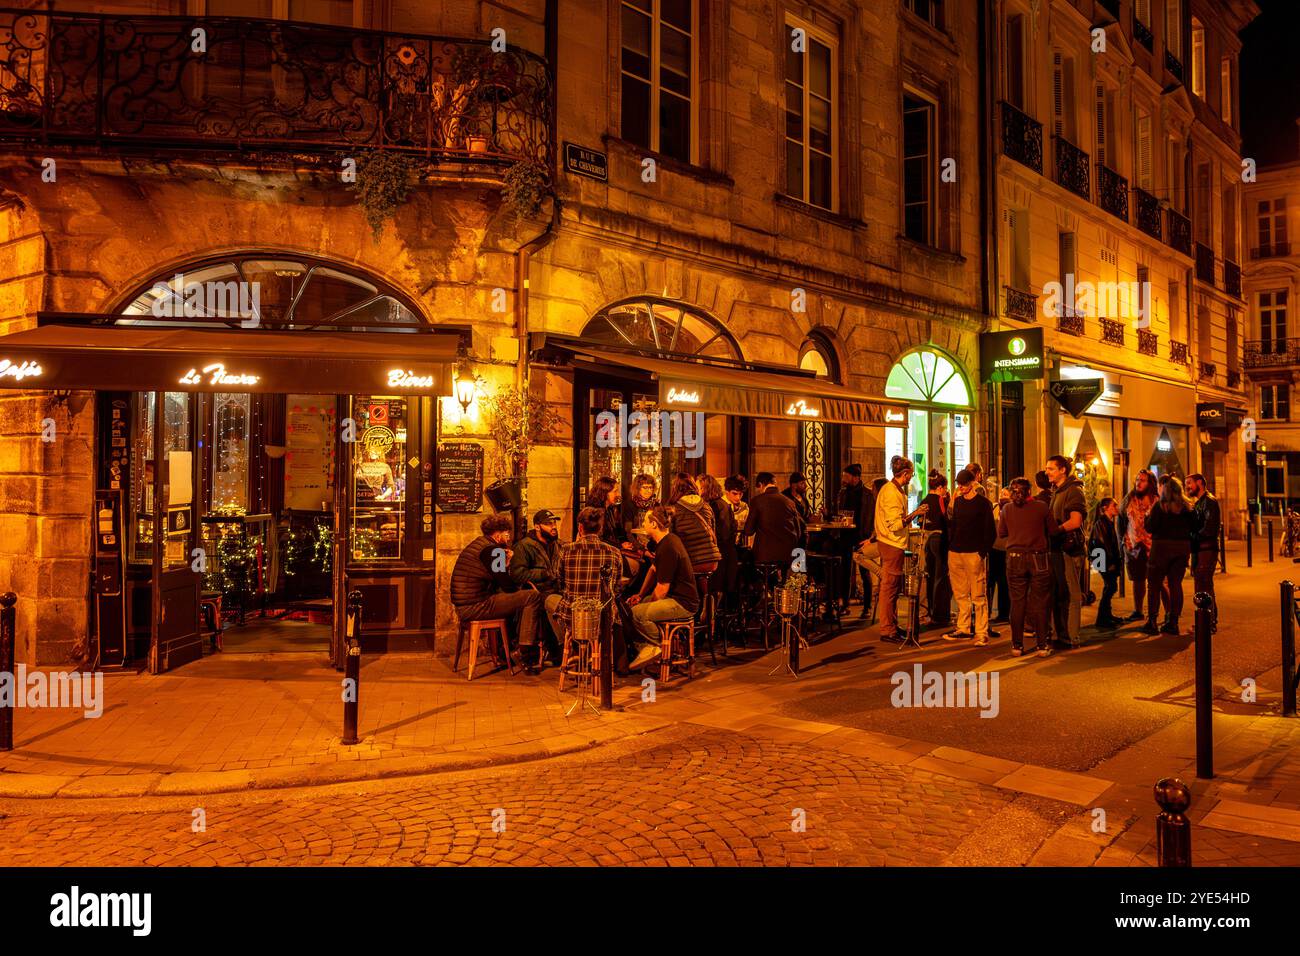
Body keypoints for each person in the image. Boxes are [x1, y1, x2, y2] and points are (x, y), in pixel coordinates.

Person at [451, 513, 540, 662]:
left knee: (516, 601)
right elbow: (507, 586)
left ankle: (503, 651)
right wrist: (509, 562)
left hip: (464, 606)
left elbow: (497, 579)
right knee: (532, 596)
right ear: (498, 535)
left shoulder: (479, 544)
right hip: (476, 606)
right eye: (507, 533)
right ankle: (524, 649)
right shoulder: (494, 550)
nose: (509, 537)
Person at [553, 506, 626, 672]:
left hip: (574, 615)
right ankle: (599, 659)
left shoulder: (566, 550)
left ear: (580, 528)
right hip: (604, 616)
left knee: (552, 603)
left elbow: (560, 582)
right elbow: (617, 586)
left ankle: (575, 652)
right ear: (600, 529)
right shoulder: (614, 552)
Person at [627, 506, 699, 669]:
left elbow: (661, 589)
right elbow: (653, 570)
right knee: (636, 605)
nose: (643, 524)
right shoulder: (664, 541)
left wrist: (646, 606)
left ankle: (657, 646)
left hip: (682, 602)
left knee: (637, 613)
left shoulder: (668, 547)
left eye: (645, 521)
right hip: (673, 598)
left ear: (653, 524)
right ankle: (648, 647)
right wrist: (640, 595)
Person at [999, 477, 1058, 657]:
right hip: (1037, 557)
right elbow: (1053, 531)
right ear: (1030, 492)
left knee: (1017, 603)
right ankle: (1041, 645)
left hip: (1015, 558)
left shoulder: (1007, 509)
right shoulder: (1041, 507)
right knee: (1040, 602)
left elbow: (1002, 533)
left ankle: (1017, 646)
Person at [1143, 475, 1200, 636]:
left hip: (1161, 547)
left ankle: (1152, 621)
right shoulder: (1188, 507)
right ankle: (1173, 622)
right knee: (1175, 585)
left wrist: (1147, 516)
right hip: (1181, 548)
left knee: (1154, 584)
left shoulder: (1160, 506)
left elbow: (1150, 527)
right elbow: (1195, 526)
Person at [945, 468, 996, 645]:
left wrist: (982, 552)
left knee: (978, 595)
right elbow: (952, 523)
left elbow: (990, 530)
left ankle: (981, 632)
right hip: (956, 551)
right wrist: (951, 546)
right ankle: (964, 627)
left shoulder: (983, 503)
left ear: (972, 483)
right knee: (960, 593)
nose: (961, 488)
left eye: (964, 485)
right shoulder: (957, 502)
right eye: (959, 485)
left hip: (973, 552)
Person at [508, 509, 563, 673]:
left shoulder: (557, 544)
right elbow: (517, 574)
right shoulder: (524, 546)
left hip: (556, 589)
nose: (553, 527)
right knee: (553, 604)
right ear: (537, 527)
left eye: (554, 523)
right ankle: (528, 652)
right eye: (548, 524)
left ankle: (560, 651)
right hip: (538, 591)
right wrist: (543, 573)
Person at [874, 456, 918, 645]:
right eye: (911, 474)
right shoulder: (891, 493)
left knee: (891, 587)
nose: (912, 477)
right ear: (905, 474)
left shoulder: (892, 490)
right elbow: (895, 524)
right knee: (890, 587)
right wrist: (915, 514)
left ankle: (891, 624)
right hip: (892, 543)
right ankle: (887, 629)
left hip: (892, 543)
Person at [1045, 454, 1087, 648]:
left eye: (1051, 469)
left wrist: (1056, 530)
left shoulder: (1074, 491)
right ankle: (1060, 635)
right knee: (1059, 593)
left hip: (1069, 549)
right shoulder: (1057, 490)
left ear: (1063, 470)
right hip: (1057, 548)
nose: (1047, 472)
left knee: (1072, 593)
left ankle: (1071, 637)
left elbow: (1076, 521)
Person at [1119, 469, 1160, 623]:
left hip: (1153, 545)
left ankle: (1159, 613)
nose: (1138, 483)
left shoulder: (1157, 500)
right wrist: (1122, 542)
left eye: (1142, 480)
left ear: (1150, 483)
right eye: (1137, 480)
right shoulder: (1129, 499)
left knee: (1157, 581)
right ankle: (1138, 610)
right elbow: (1121, 521)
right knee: (1137, 580)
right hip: (1133, 546)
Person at [836, 463, 875, 619]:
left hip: (862, 537)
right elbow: (840, 512)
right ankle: (844, 604)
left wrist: (869, 537)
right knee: (845, 571)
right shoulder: (843, 493)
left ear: (855, 477)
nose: (844, 478)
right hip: (846, 536)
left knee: (865, 571)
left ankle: (867, 606)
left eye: (846, 475)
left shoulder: (867, 494)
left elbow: (871, 516)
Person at [666, 473, 720, 578]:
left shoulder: (674, 508)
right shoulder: (706, 506)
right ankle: (703, 593)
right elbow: (714, 532)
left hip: (692, 561)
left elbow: (670, 539)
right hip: (713, 560)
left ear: (675, 488)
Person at [744, 471, 804, 566]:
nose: (759, 491)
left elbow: (748, 531)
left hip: (765, 555)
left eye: (758, 488)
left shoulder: (757, 501)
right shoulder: (789, 502)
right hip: (789, 553)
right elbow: (799, 529)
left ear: (761, 485)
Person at [1186, 473, 1220, 633]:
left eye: (1190, 483)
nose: (1187, 487)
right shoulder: (1200, 502)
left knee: (1204, 585)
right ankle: (1207, 621)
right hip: (1200, 549)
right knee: (1202, 585)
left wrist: (1193, 536)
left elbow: (1209, 528)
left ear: (1200, 482)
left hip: (1206, 549)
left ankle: (1208, 623)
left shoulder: (1209, 502)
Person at [921, 471, 952, 629]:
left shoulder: (924, 500)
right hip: (939, 539)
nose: (946, 490)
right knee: (941, 578)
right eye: (945, 487)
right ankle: (941, 615)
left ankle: (931, 611)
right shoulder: (941, 500)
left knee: (931, 576)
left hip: (927, 539)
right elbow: (946, 519)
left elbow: (921, 521)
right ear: (940, 487)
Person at [699, 474, 738, 598]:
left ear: (706, 488)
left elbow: (724, 534)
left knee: (714, 588)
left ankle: (712, 611)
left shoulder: (716, 506)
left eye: (699, 487)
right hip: (721, 554)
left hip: (720, 556)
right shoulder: (716, 505)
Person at [1089, 496, 1123, 628]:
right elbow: (1102, 544)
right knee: (1110, 587)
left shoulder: (1107, 522)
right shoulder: (1101, 523)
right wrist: (1109, 563)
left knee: (1109, 587)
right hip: (1105, 560)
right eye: (1113, 505)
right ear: (1105, 508)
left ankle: (1107, 616)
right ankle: (1102, 619)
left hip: (1105, 559)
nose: (1116, 507)